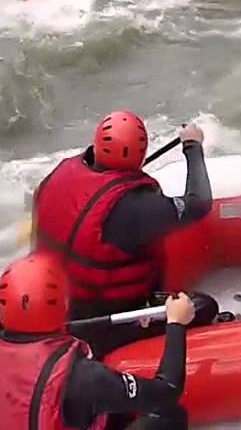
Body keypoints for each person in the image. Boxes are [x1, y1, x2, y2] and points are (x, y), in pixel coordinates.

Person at [32, 111, 218, 357]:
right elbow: (199, 203)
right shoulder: (135, 207)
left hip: (57, 307)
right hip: (107, 324)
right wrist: (192, 145)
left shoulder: (59, 173)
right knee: (204, 306)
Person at [0, 253, 196, 430]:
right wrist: (175, 323)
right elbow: (168, 390)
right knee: (167, 416)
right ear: (63, 305)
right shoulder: (83, 378)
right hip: (80, 393)